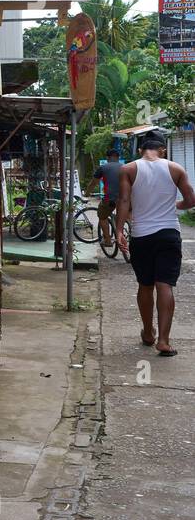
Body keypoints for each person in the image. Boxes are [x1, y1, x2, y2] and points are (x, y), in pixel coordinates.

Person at [117, 133, 195, 357]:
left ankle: (148, 334)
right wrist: (175, 204)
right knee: (165, 285)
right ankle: (164, 341)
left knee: (145, 285)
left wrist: (120, 230)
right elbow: (191, 200)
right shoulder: (176, 168)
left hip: (141, 235)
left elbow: (123, 201)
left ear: (141, 150)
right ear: (162, 150)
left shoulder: (129, 169)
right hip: (169, 234)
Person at [92, 148, 125, 245]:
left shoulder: (103, 168)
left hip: (110, 199)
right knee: (128, 214)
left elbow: (93, 183)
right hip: (126, 198)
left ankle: (107, 240)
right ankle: (131, 230)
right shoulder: (126, 167)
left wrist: (87, 193)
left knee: (102, 216)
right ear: (118, 158)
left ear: (107, 158)